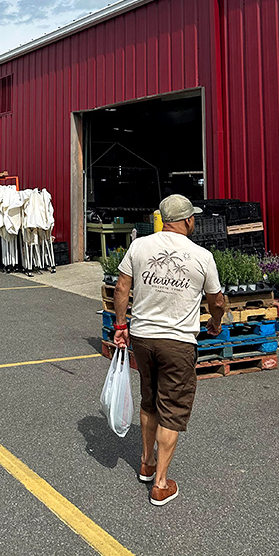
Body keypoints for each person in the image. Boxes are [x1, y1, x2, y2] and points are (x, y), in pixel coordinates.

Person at [113, 194, 225, 506]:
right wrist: (216, 322)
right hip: (178, 342)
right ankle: (160, 484)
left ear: (164, 219)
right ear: (188, 220)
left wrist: (120, 325)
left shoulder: (139, 246)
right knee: (172, 409)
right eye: (193, 217)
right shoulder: (201, 256)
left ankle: (147, 463)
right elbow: (216, 300)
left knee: (149, 400)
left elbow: (121, 287)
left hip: (143, 338)